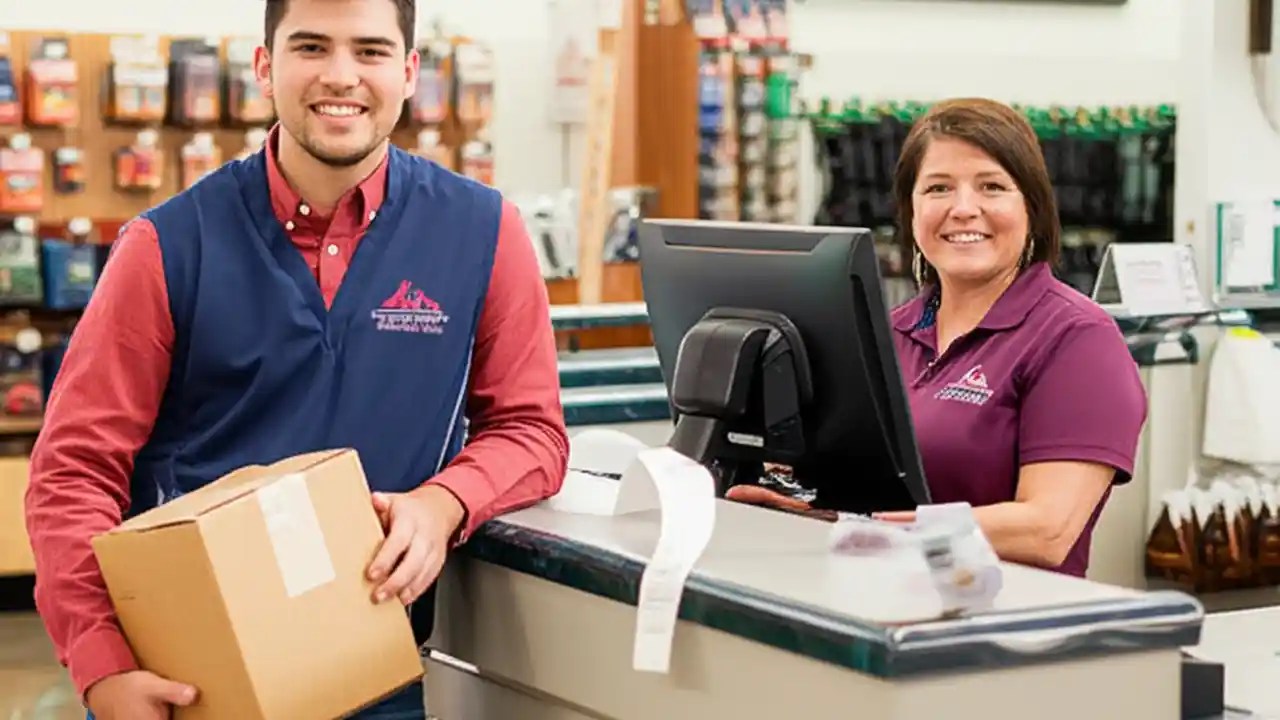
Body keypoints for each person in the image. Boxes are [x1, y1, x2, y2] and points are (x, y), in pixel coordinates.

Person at [23, 1, 568, 718]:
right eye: (311, 47)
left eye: (370, 52)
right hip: (191, 681)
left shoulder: (484, 232)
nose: (340, 76)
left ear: (408, 73)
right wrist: (102, 667)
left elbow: (532, 430)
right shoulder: (164, 248)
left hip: (383, 677)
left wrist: (445, 503)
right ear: (264, 66)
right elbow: (73, 472)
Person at [728, 98, 1147, 578]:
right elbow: (852, 494)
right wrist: (806, 514)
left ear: (1031, 205)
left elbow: (1046, 530)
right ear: (910, 209)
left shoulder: (1077, 340)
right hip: (869, 608)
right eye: (938, 188)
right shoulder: (882, 335)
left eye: (991, 186)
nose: (963, 209)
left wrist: (869, 528)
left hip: (998, 629)